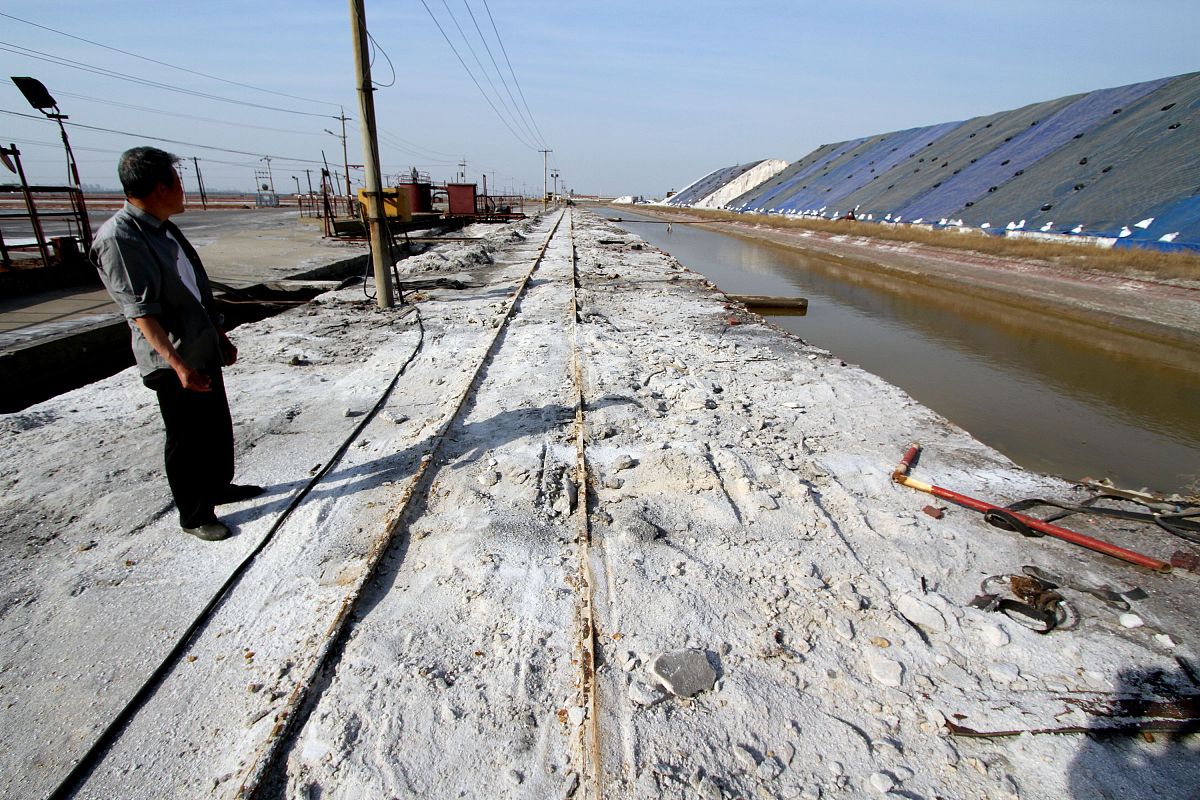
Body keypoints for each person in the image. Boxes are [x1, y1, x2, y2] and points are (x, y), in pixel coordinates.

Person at [91, 146, 262, 541]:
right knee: (186, 438)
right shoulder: (121, 239)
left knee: (216, 427)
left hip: (200, 347)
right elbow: (141, 313)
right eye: (179, 182)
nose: (184, 190)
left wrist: (219, 335)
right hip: (172, 360)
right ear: (161, 187)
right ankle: (194, 514)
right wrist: (179, 365)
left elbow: (193, 290)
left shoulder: (164, 226)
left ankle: (219, 486)